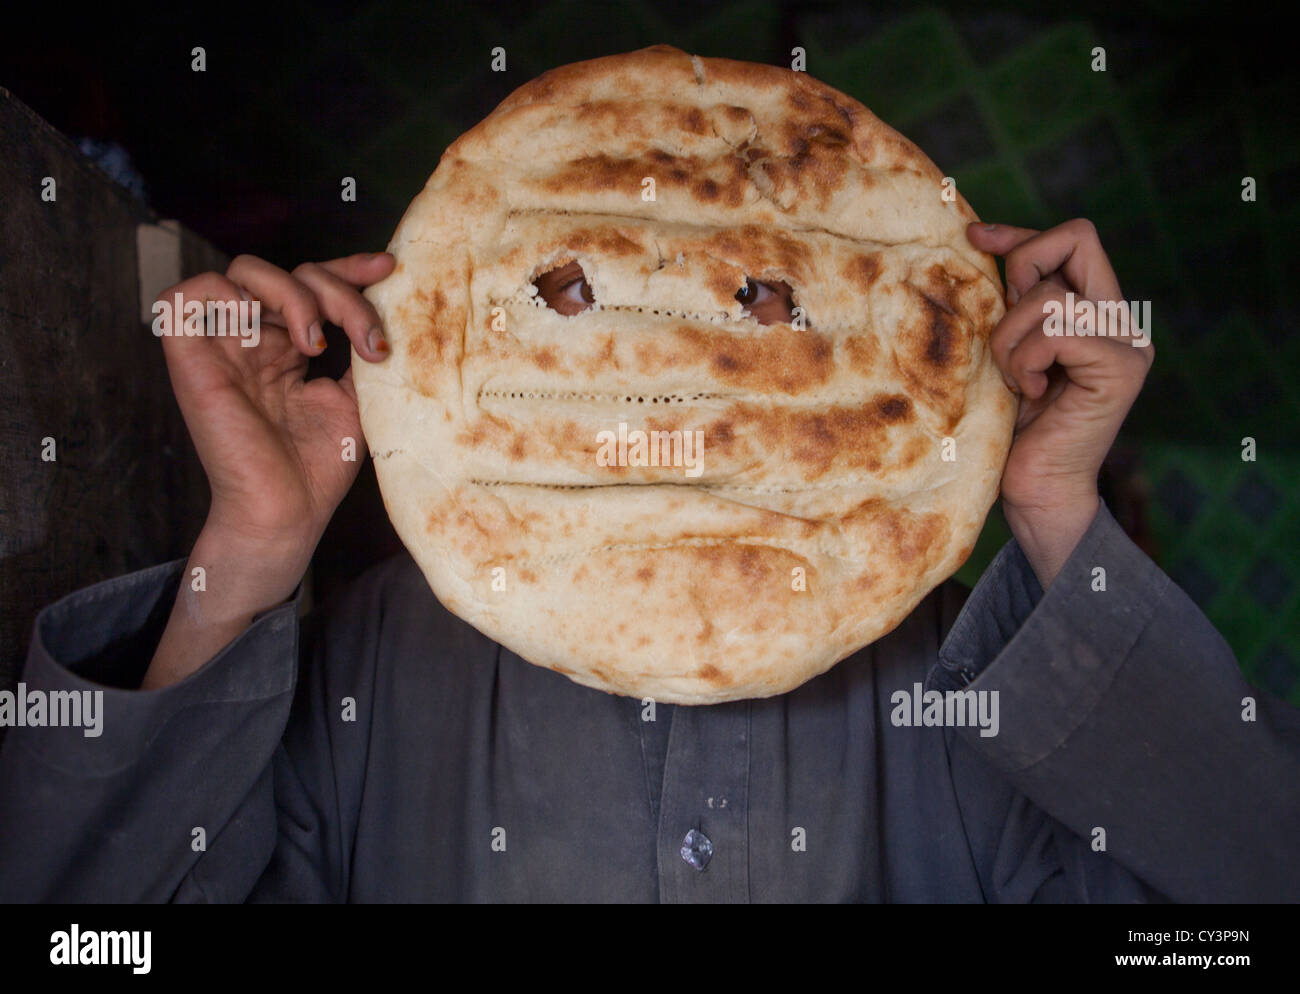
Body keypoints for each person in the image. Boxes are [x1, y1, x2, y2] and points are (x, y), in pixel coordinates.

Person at [1, 219, 1296, 902]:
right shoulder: (369, 666)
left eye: (765, 306)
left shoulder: (973, 715)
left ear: (882, 374)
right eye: (578, 293)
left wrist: (1053, 501)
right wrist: (255, 543)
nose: (675, 356)